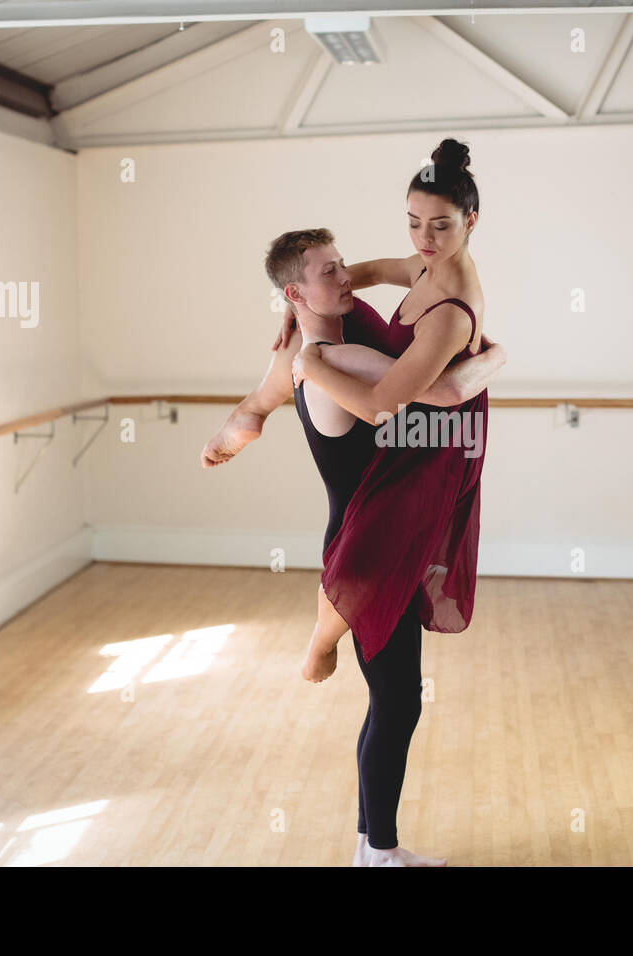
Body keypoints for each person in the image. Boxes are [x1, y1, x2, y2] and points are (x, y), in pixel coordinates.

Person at [201, 224, 504, 865]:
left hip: (369, 537)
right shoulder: (334, 358)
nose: (345, 277)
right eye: (329, 272)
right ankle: (378, 853)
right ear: (295, 291)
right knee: (397, 702)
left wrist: (223, 442)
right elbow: (448, 390)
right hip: (368, 550)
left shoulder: (307, 350)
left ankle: (375, 846)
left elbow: (255, 406)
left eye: (342, 264)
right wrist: (499, 356)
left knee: (391, 699)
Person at [288, 138, 488, 685]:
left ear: (471, 220)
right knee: (360, 538)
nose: (424, 238)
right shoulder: (425, 266)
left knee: (369, 546)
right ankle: (323, 640)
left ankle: (321, 642)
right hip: (417, 414)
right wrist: (309, 297)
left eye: (441, 225)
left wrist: (313, 362)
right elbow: (375, 268)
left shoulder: (450, 310)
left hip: (434, 441)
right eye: (413, 221)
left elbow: (380, 408)